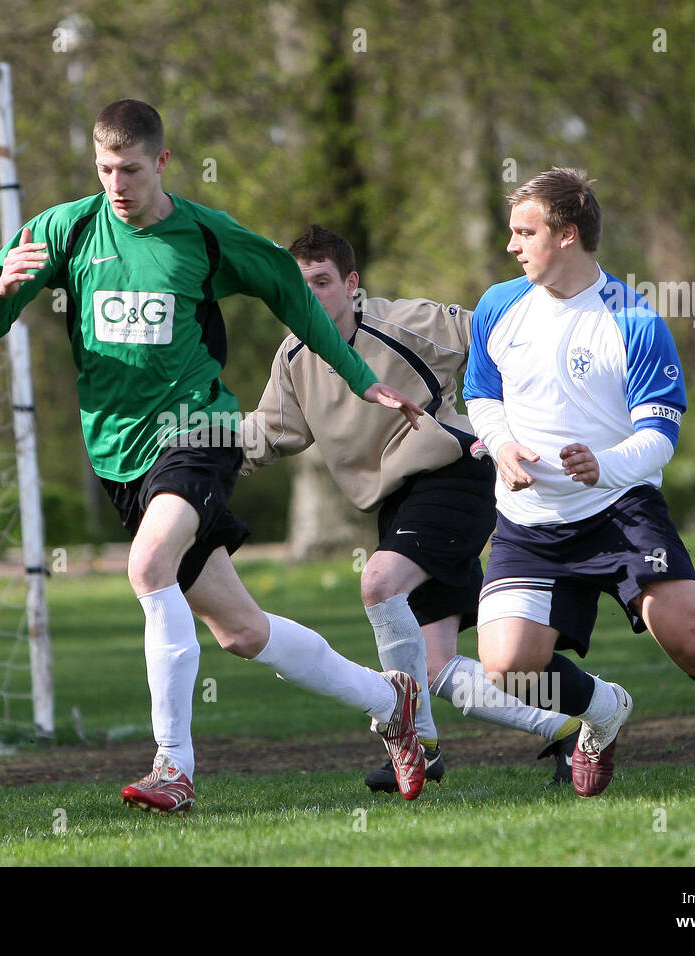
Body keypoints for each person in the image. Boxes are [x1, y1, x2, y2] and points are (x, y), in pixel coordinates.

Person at [0, 99, 431, 814]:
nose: (115, 184)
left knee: (148, 565)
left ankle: (173, 769)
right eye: (103, 169)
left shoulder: (205, 236)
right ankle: (389, 701)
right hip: (119, 455)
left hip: (199, 431)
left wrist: (361, 376)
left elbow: (289, 289)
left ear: (161, 162)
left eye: (128, 169)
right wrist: (2, 292)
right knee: (242, 632)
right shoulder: (66, 228)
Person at [462, 167, 695, 796]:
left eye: (524, 232)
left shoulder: (634, 319)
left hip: (621, 512)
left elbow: (659, 437)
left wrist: (606, 465)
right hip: (530, 522)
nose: (512, 246)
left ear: (567, 235)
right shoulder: (498, 305)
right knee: (507, 668)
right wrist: (502, 444)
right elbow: (481, 395)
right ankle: (602, 710)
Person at [241, 224, 581, 793]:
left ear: (352, 284)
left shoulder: (406, 322)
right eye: (295, 286)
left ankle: (413, 739)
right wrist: (196, 455)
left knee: (378, 582)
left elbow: (498, 334)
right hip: (398, 503)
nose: (309, 297)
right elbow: (269, 434)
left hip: (457, 472)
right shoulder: (293, 357)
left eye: (321, 282)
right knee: (435, 669)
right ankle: (575, 725)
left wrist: (514, 428)